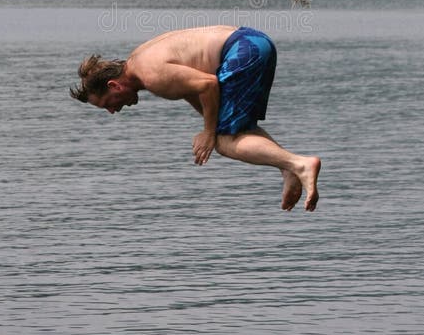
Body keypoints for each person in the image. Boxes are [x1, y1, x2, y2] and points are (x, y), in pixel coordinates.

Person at [70, 25, 320, 212]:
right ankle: (288, 168)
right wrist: (213, 125)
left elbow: (207, 84)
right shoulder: (138, 61)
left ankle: (299, 164)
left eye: (107, 104)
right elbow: (191, 89)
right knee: (234, 131)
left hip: (243, 51)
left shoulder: (152, 76)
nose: (112, 111)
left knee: (224, 142)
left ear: (114, 85)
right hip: (253, 41)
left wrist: (209, 133)